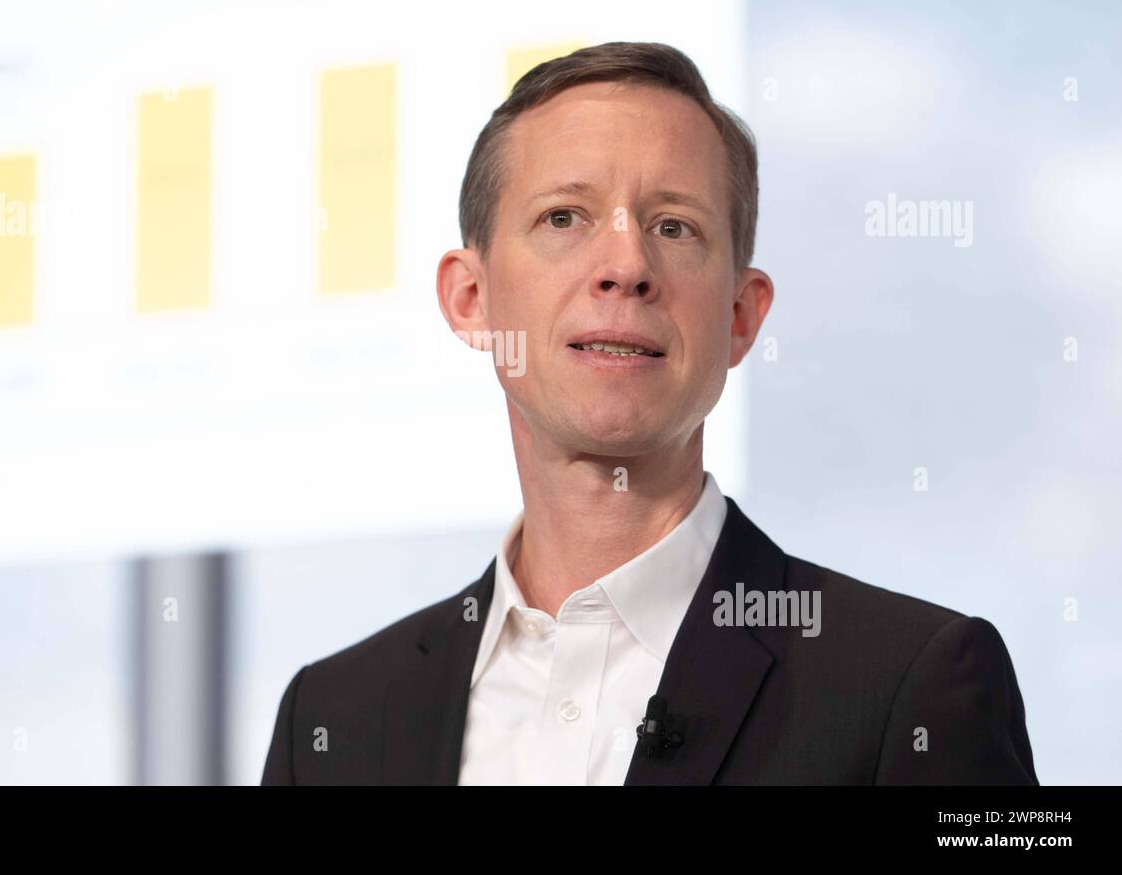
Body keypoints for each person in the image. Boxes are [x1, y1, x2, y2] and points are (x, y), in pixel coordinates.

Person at [261, 41, 1037, 785]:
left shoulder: (913, 684)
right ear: (471, 299)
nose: (626, 267)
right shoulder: (331, 719)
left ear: (740, 315)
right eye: (565, 217)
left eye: (674, 227)